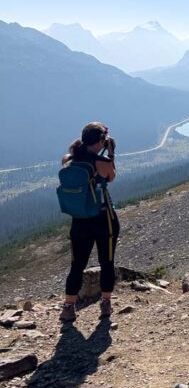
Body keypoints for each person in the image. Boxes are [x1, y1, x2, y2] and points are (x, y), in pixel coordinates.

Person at [59, 122, 118, 322]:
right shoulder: (101, 162)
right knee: (107, 261)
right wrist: (110, 154)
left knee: (77, 264)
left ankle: (68, 306)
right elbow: (111, 177)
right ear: (101, 141)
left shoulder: (68, 160)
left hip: (79, 219)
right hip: (103, 218)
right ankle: (105, 304)